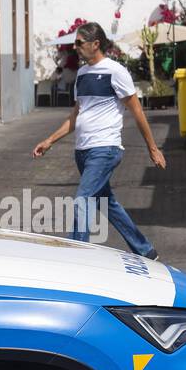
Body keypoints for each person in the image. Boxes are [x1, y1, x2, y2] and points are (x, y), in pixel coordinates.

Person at [32, 21, 166, 259]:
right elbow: (76, 115)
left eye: (79, 42)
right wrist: (49, 140)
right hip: (82, 151)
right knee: (107, 204)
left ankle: (76, 257)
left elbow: (137, 112)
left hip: (105, 149)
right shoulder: (82, 74)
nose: (75, 47)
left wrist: (152, 148)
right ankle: (145, 249)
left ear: (95, 44)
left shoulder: (115, 72)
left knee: (82, 200)